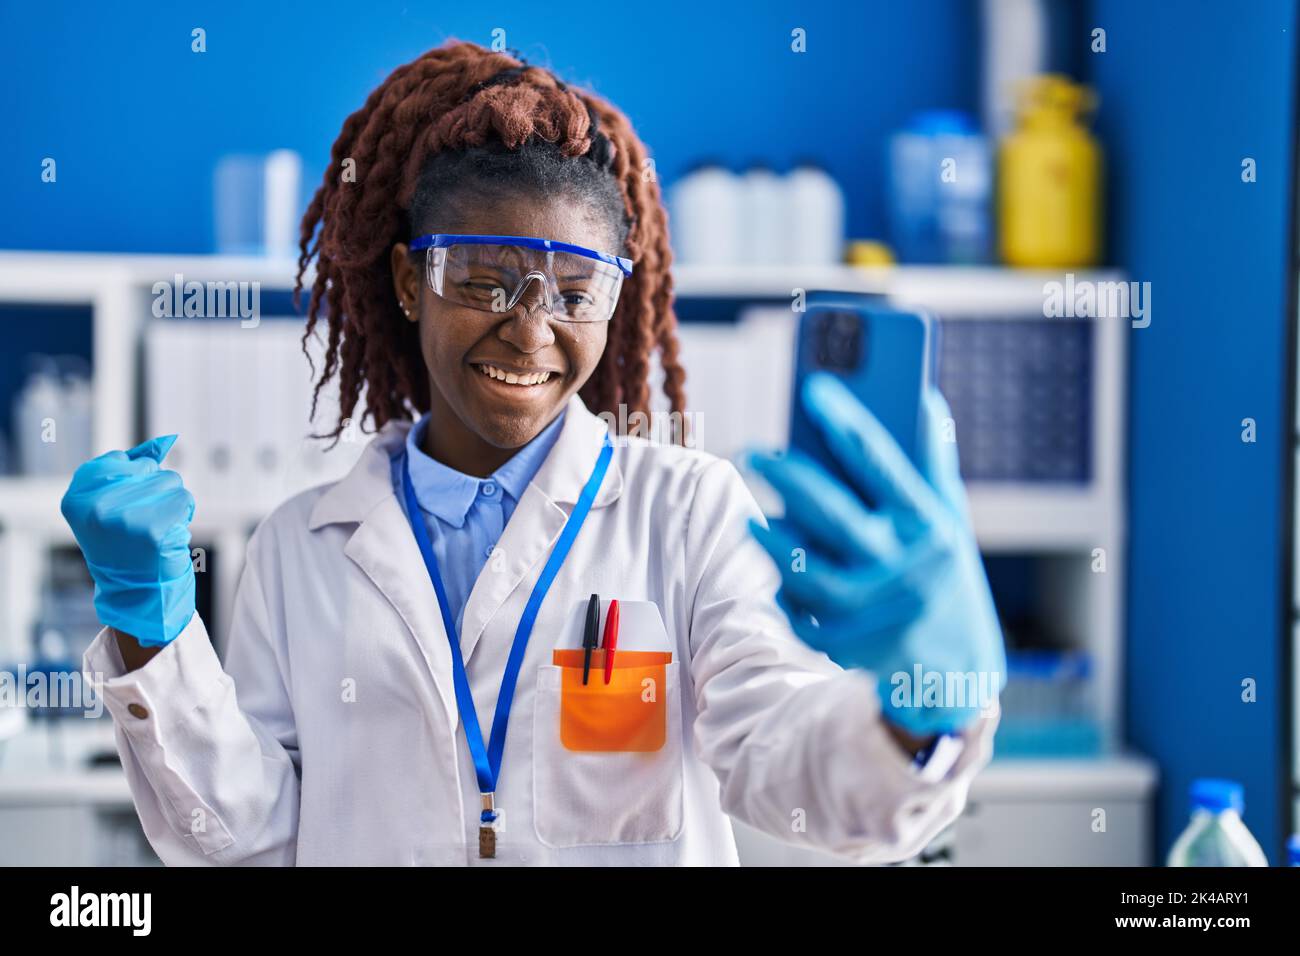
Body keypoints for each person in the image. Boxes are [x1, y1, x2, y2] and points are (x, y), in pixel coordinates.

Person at [61, 40, 1004, 866]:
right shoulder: (299, 549)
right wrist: (155, 636)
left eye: (575, 290)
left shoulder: (689, 515)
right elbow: (247, 842)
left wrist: (922, 703)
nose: (531, 330)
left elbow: (787, 758)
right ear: (407, 279)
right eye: (485, 279)